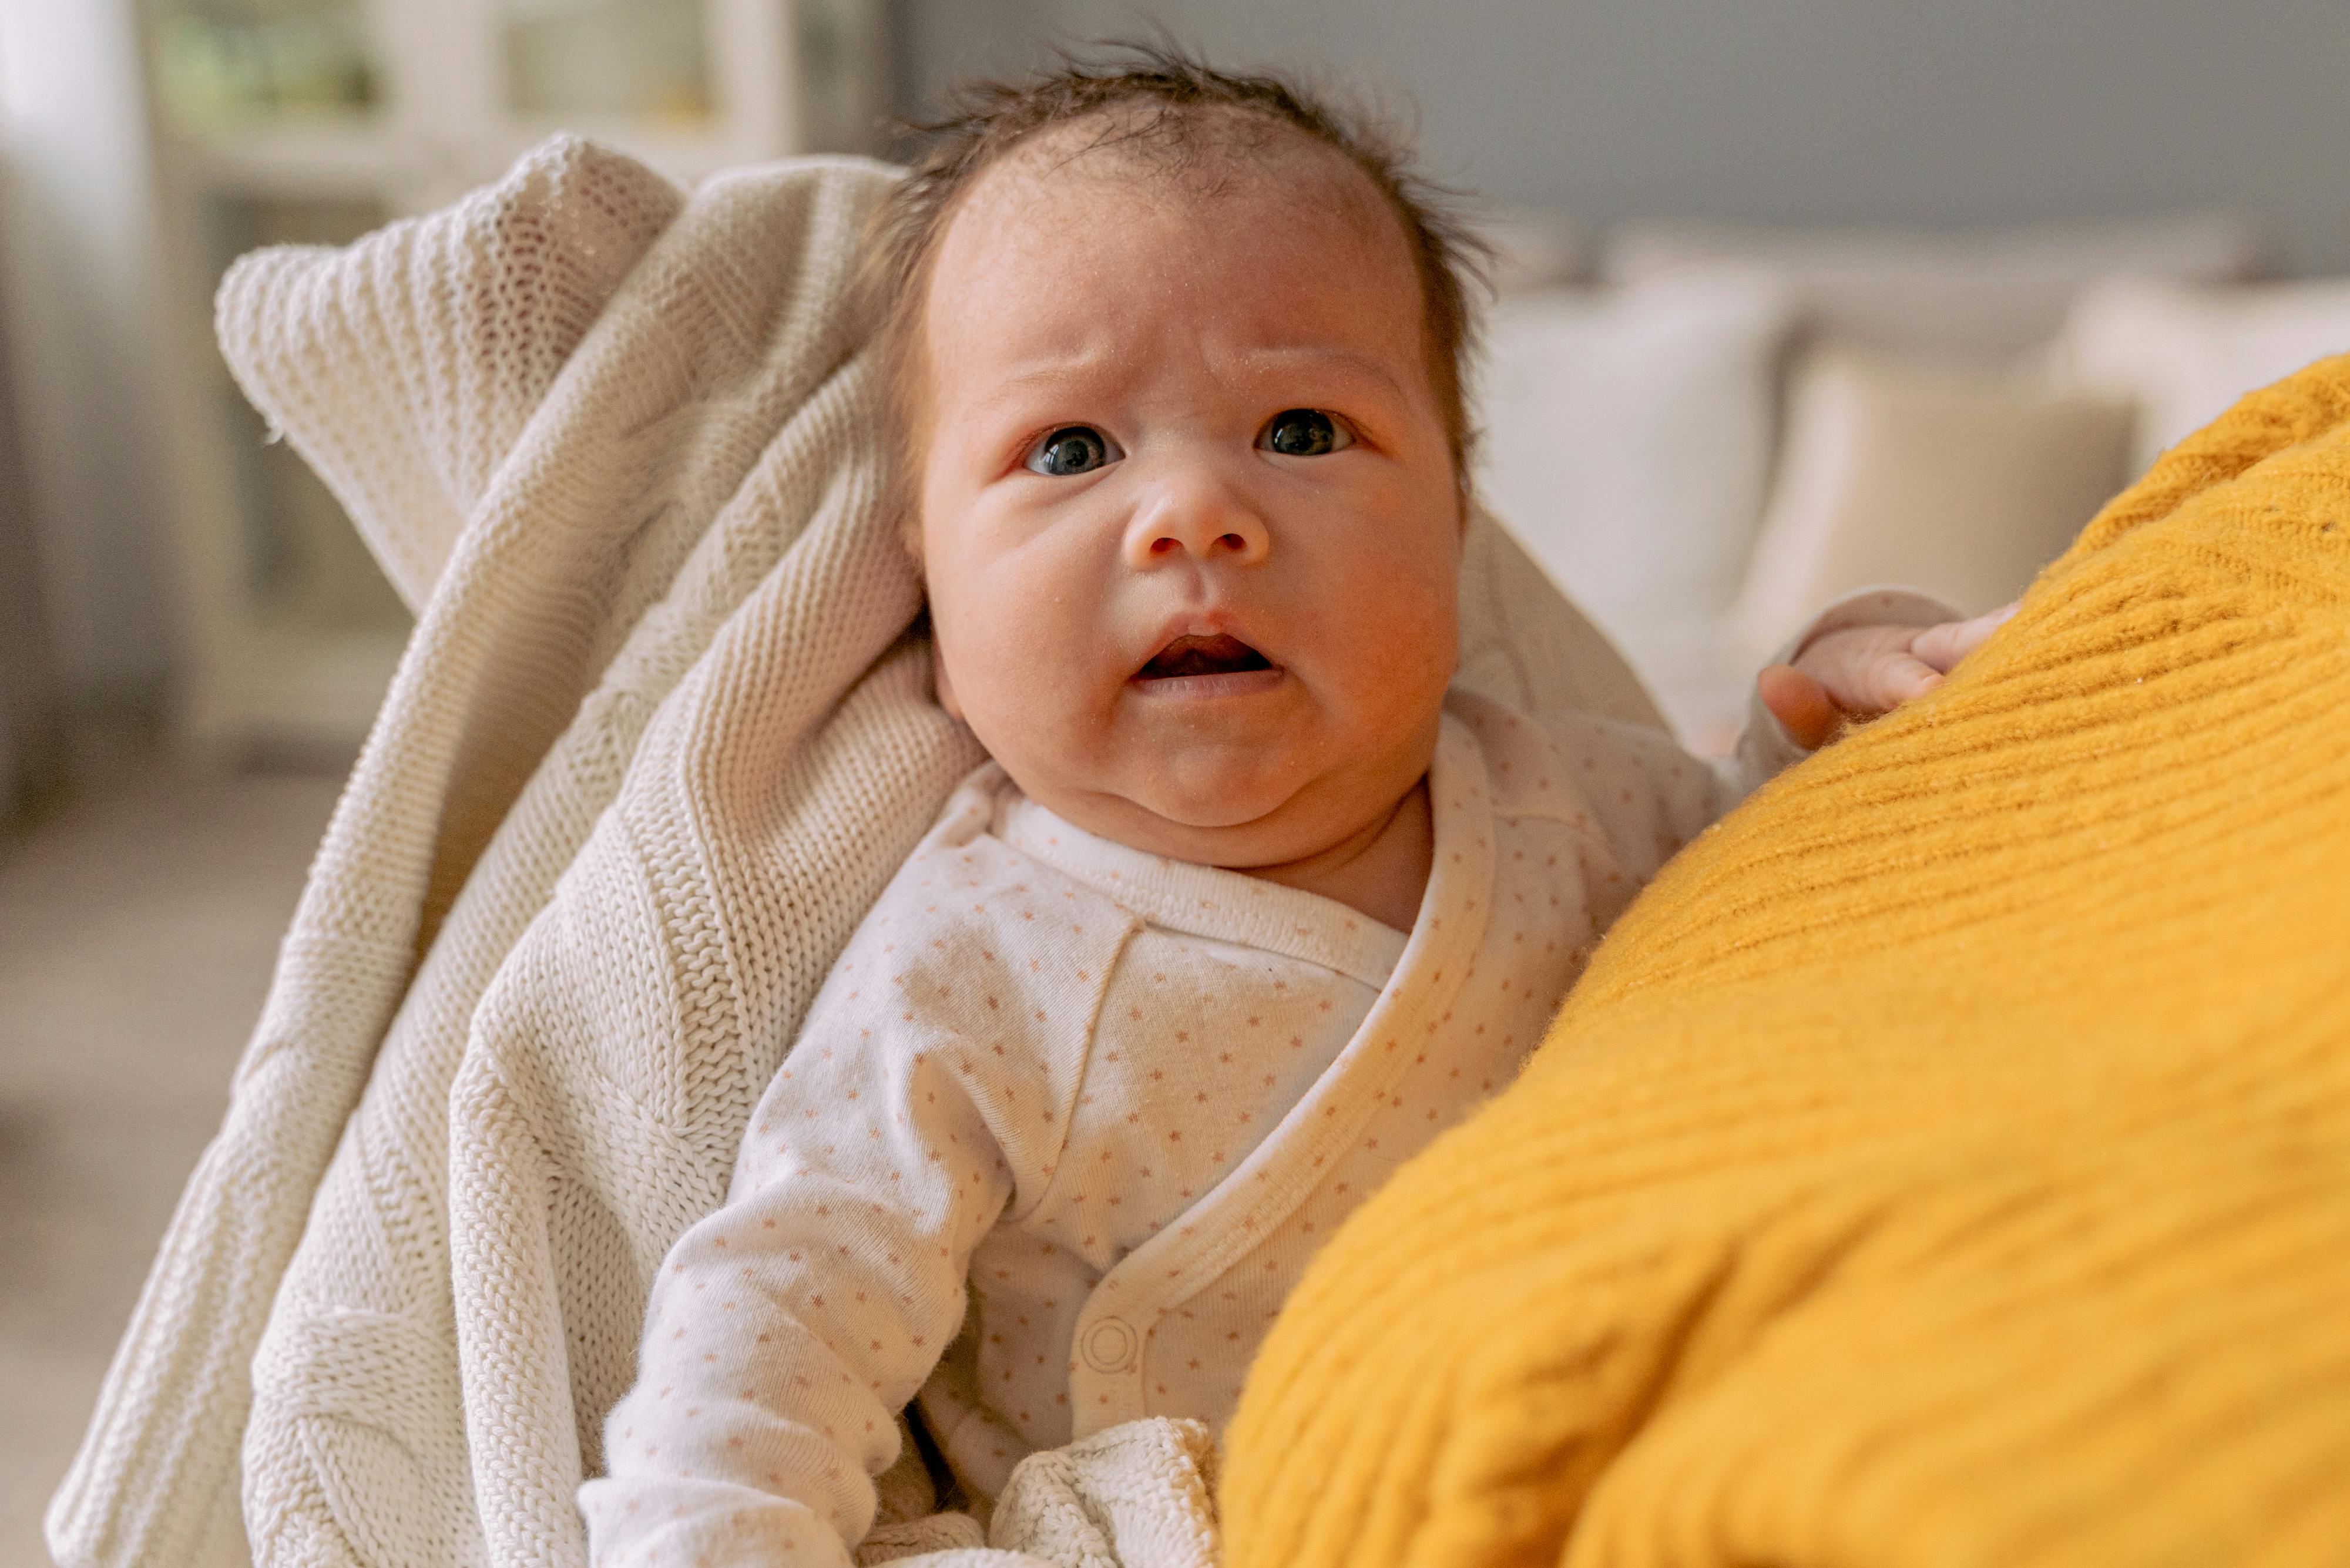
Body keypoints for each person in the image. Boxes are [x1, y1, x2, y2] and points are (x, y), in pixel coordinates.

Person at [580, 45, 2004, 1566]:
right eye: (1070, 449)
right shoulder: (966, 970)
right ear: (923, 573)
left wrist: (1838, 707)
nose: (1195, 511)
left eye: (1304, 432)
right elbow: (770, 1336)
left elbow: (1788, 915)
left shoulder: (1565, 802)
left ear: (1457, 514)